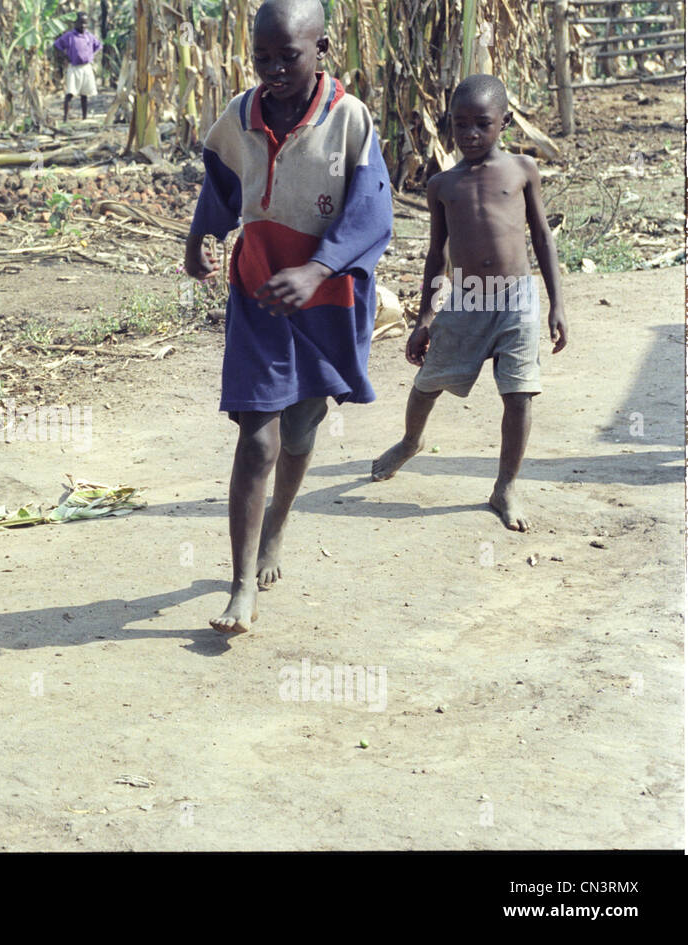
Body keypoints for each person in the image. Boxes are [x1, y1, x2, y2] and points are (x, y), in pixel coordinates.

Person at [182, 0, 392, 635]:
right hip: (257, 296)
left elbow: (372, 213)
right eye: (262, 57)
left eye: (288, 56)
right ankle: (241, 582)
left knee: (300, 433)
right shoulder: (240, 116)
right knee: (259, 437)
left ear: (321, 49)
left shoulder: (349, 121)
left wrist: (319, 269)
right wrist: (201, 238)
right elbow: (220, 182)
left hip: (326, 306)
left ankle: (277, 526)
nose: (273, 69)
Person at [371, 74, 567, 532]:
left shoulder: (522, 170)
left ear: (503, 122)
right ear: (450, 126)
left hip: (517, 299)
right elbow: (437, 254)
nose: (471, 134)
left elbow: (541, 237)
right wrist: (424, 318)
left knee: (519, 396)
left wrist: (557, 304)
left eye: (482, 123)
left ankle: (505, 487)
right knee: (427, 382)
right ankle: (411, 440)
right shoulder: (442, 185)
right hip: (466, 300)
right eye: (461, 125)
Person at [53, 12, 102, 122]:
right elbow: (57, 45)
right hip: (74, 68)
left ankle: (84, 117)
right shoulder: (70, 36)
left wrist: (91, 55)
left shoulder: (89, 36)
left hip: (86, 67)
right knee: (70, 93)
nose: (83, 26)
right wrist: (65, 56)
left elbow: (98, 46)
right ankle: (65, 118)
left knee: (84, 95)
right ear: (75, 23)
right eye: (80, 23)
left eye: (85, 23)